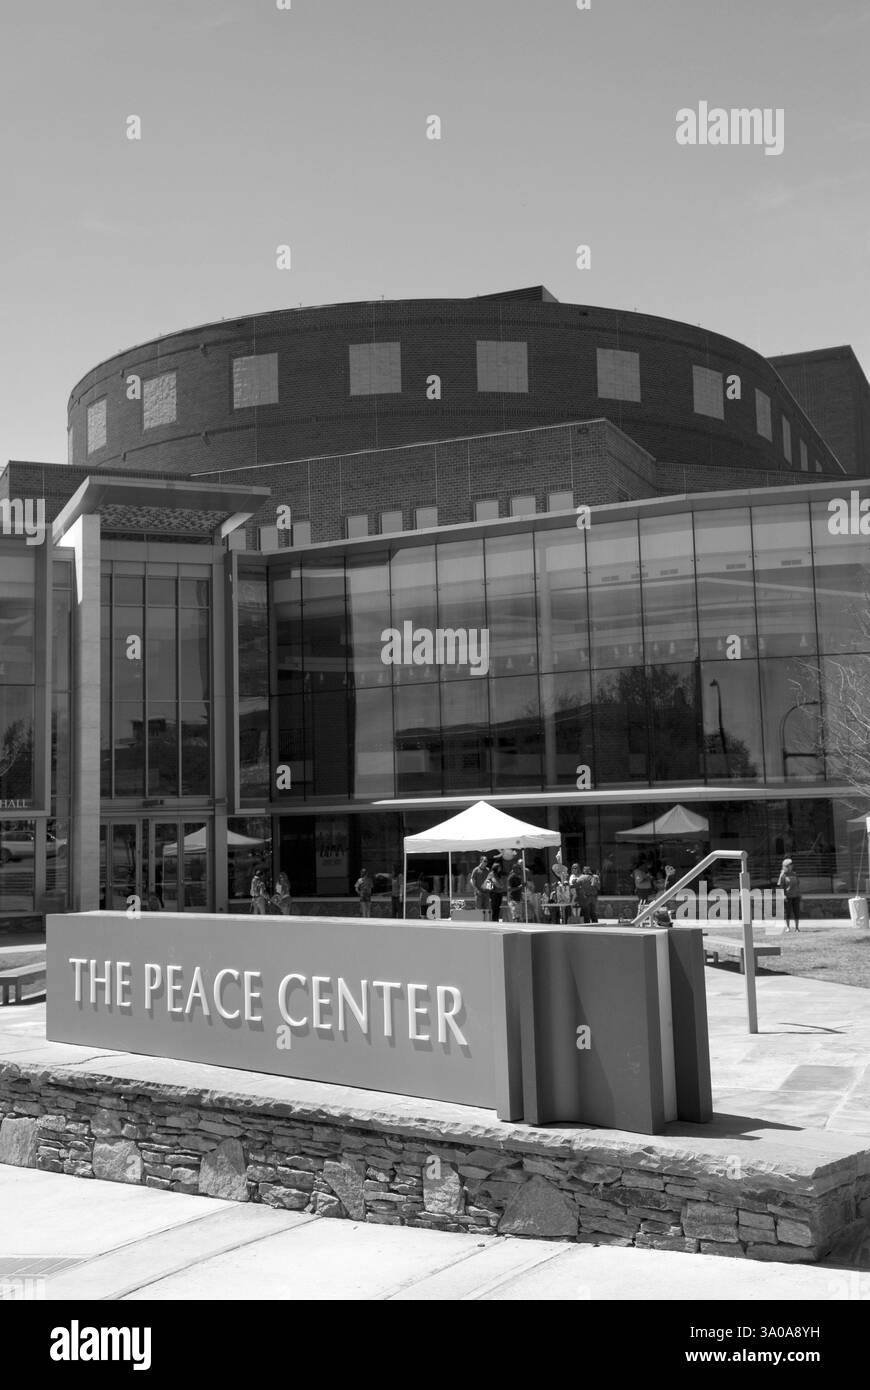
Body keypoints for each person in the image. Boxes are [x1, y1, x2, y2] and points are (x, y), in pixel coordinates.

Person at [778, 858, 801, 932]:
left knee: (796, 912)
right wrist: (783, 895)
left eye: (791, 865)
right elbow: (781, 887)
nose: (792, 866)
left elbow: (798, 884)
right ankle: (788, 927)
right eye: (790, 865)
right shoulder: (783, 875)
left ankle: (797, 928)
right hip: (787, 897)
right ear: (786, 866)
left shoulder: (795, 874)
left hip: (796, 896)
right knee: (788, 913)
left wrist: (799, 893)